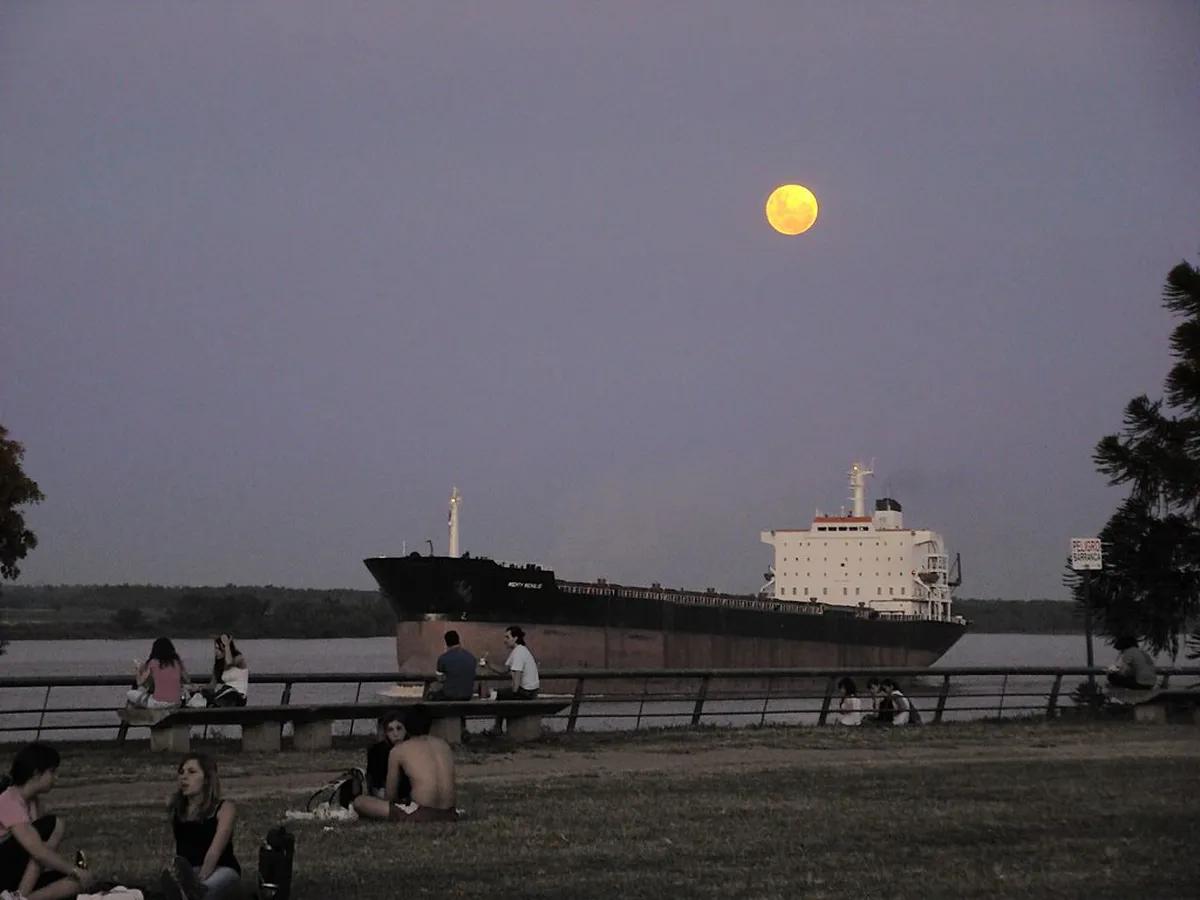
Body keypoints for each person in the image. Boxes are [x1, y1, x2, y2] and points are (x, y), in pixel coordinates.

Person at [0, 743, 95, 900]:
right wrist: (75, 869)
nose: (55, 777)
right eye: (52, 771)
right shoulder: (8, 801)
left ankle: (18, 898)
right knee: (55, 824)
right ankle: (20, 896)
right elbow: (38, 852)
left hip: (14, 879)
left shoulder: (34, 803)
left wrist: (75, 874)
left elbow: (38, 855)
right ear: (36, 774)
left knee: (74, 883)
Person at [353, 707, 457, 824]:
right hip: (450, 813)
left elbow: (391, 797)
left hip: (420, 813)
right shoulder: (444, 745)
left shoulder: (399, 750)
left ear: (406, 728)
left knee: (359, 802)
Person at [161, 753, 241, 900]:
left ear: (206, 779)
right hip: (189, 872)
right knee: (188, 890)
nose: (184, 777)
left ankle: (192, 893)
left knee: (204, 890)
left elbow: (215, 851)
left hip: (221, 868)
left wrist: (201, 879)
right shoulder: (176, 808)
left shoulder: (225, 808)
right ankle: (188, 893)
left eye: (192, 772)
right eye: (182, 772)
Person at [127, 638, 190, 708]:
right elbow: (187, 680)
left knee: (130, 693)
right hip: (176, 703)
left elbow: (140, 682)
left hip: (158, 704)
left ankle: (133, 714)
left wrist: (138, 670)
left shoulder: (153, 663)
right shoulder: (177, 662)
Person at [364, 710, 409, 801]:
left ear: (405, 729)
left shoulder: (413, 749)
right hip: (385, 796)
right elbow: (375, 783)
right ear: (386, 733)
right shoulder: (376, 751)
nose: (395, 734)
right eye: (390, 730)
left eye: (399, 728)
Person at [425, 631, 477, 701]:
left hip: (449, 696)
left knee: (429, 695)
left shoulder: (443, 658)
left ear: (446, 643)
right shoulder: (471, 657)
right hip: (467, 696)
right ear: (458, 640)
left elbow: (440, 679)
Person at [201, 633, 249, 708]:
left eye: (218, 648)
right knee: (205, 694)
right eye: (215, 648)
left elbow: (229, 662)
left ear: (224, 648)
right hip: (224, 693)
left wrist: (227, 644)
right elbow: (212, 685)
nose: (215, 651)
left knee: (230, 691)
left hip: (238, 695)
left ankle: (213, 702)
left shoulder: (238, 658)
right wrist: (198, 688)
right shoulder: (218, 665)